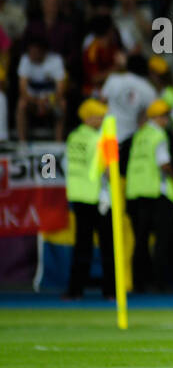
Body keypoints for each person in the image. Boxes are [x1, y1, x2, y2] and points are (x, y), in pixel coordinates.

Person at [124, 100, 173, 293]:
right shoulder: (159, 135)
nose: (166, 120)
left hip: (135, 192)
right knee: (162, 240)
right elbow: (164, 163)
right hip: (156, 192)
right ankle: (159, 282)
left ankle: (139, 282)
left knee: (140, 240)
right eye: (164, 116)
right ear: (157, 117)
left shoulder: (139, 135)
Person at [63, 99, 114, 300]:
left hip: (78, 195)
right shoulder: (102, 139)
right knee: (107, 246)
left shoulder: (73, 137)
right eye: (99, 117)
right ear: (88, 118)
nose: (102, 121)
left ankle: (75, 291)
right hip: (99, 197)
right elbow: (109, 171)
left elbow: (67, 165)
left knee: (81, 246)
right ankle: (110, 291)